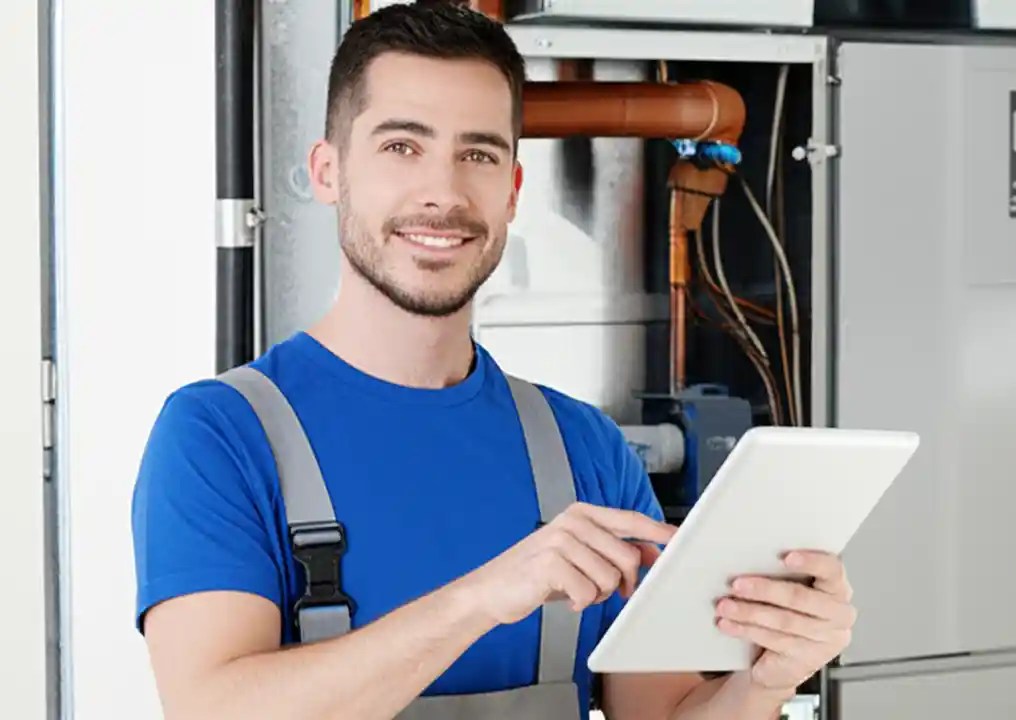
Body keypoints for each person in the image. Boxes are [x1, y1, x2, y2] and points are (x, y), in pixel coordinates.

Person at [130, 3, 857, 718]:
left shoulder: (587, 452)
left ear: (512, 191)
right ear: (328, 172)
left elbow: (661, 714)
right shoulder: (219, 437)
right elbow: (212, 708)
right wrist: (480, 599)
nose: (443, 193)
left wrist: (765, 681)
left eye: (476, 154)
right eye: (401, 147)